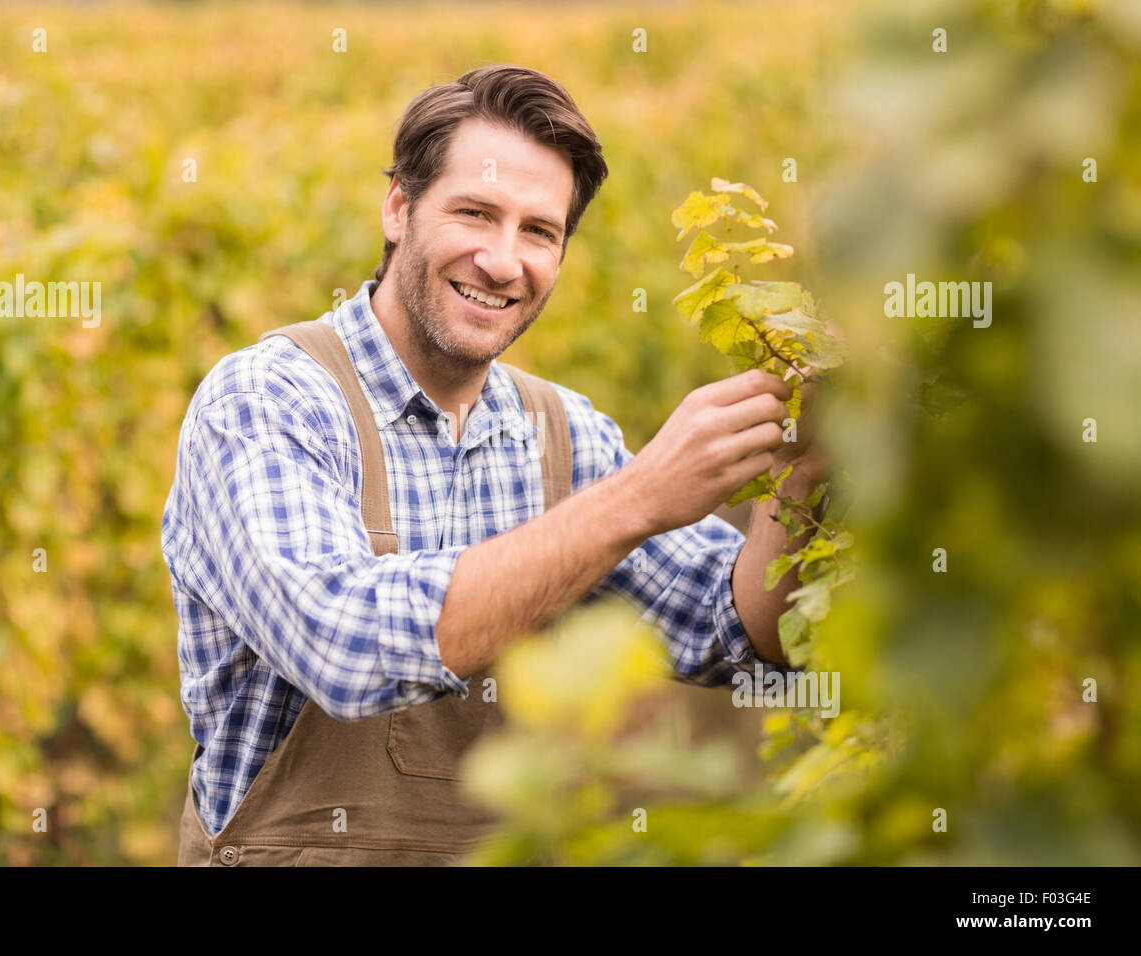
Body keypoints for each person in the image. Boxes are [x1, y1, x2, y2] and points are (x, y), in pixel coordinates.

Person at [161, 64, 826, 866]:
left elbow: (735, 631)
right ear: (399, 208)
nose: (504, 261)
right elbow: (343, 647)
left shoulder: (562, 433)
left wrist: (800, 479)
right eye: (475, 213)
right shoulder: (269, 399)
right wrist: (638, 496)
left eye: (539, 232)